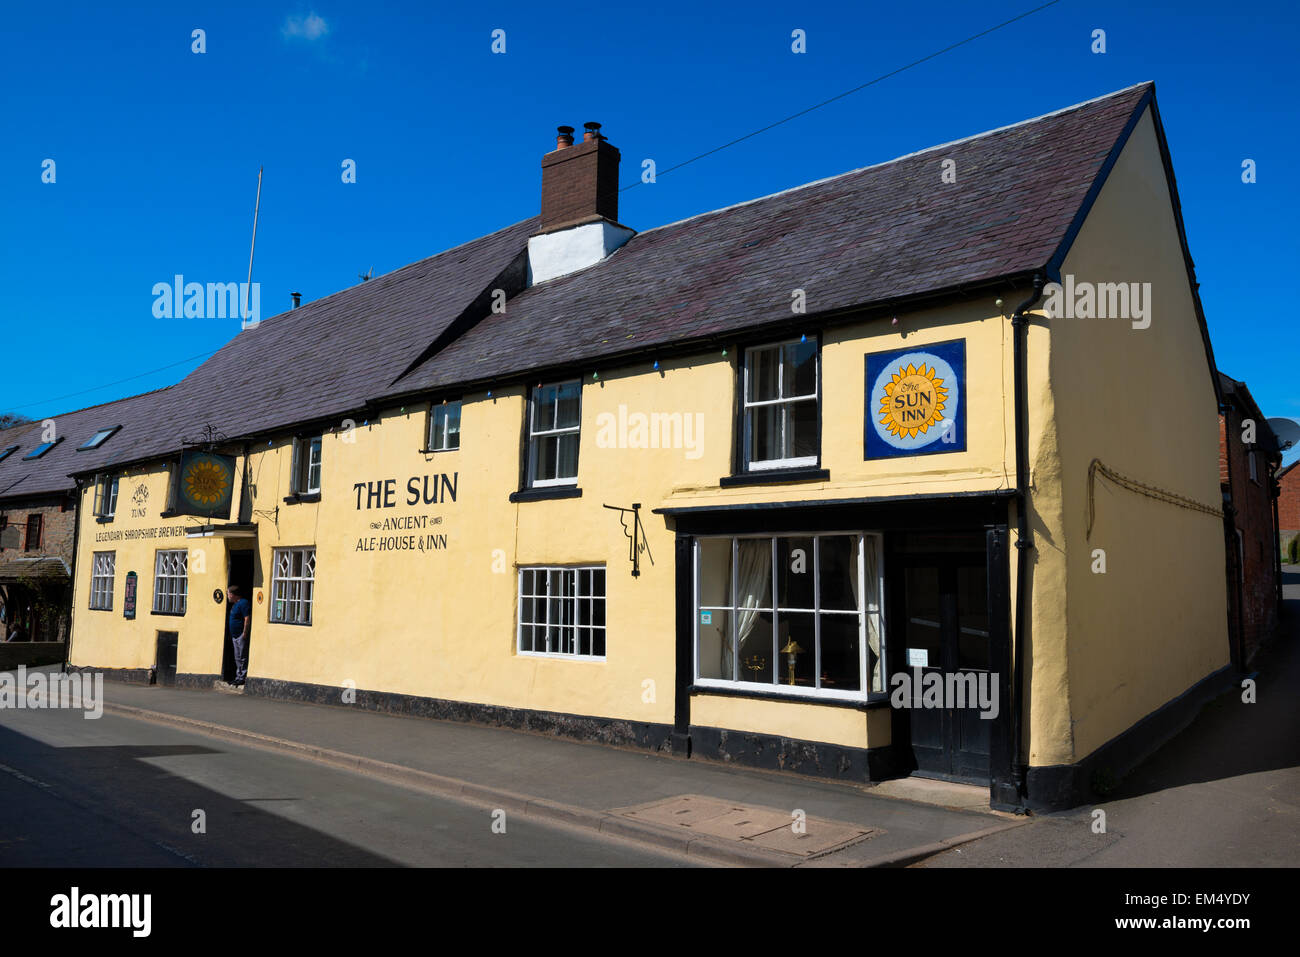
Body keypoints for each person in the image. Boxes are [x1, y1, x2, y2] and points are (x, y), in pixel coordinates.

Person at [227, 584, 251, 687]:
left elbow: (247, 618)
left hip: (241, 635)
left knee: (242, 656)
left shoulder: (243, 603)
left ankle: (242, 677)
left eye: (228, 594)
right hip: (235, 635)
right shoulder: (235, 604)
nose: (227, 596)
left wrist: (244, 632)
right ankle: (238, 677)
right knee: (237, 657)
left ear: (233, 594)